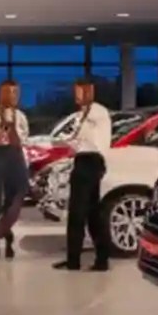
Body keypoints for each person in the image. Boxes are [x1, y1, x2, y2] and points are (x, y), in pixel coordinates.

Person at [53, 78, 113, 271]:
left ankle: (74, 261)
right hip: (82, 160)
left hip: (91, 161)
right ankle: (99, 259)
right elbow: (78, 139)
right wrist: (69, 143)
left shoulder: (97, 112)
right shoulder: (82, 114)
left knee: (77, 213)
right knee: (92, 213)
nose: (76, 96)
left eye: (80, 92)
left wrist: (78, 138)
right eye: (76, 92)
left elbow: (95, 141)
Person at [0, 79, 30, 259]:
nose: (13, 96)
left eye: (16, 93)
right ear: (0, 94)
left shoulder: (22, 117)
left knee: (15, 199)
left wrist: (13, 129)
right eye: (8, 92)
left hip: (15, 157)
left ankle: (7, 237)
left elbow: (23, 139)